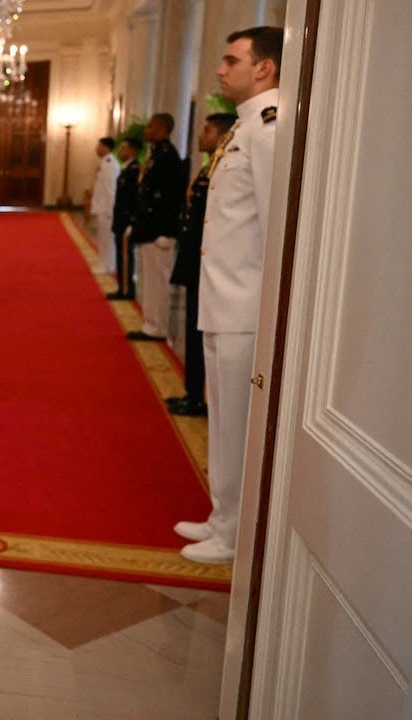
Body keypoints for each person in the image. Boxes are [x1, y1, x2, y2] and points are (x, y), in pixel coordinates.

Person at [175, 26, 282, 565]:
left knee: (238, 424)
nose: (221, 70)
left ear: (263, 67)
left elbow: (276, 227)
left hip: (245, 306)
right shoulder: (246, 128)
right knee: (222, 419)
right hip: (222, 299)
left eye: (231, 59)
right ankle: (222, 516)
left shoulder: (268, 128)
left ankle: (237, 531)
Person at [166, 112, 238, 417]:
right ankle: (193, 392)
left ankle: (199, 396)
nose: (200, 135)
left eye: (207, 130)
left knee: (202, 333)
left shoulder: (221, 169)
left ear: (221, 135)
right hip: (197, 263)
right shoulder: (210, 168)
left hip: (207, 265)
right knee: (195, 332)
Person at [127, 113, 187, 342]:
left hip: (158, 231)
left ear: (162, 130)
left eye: (151, 126)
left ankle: (158, 327)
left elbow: (171, 199)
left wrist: (165, 231)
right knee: (149, 281)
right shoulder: (156, 154)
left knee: (158, 283)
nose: (146, 130)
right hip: (148, 228)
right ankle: (150, 324)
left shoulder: (168, 157)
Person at [107, 137, 142, 300]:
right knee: (121, 256)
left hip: (126, 221)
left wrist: (131, 222)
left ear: (133, 151)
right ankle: (122, 287)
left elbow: (134, 199)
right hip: (121, 220)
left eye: (124, 148)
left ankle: (126, 290)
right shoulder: (126, 169)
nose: (121, 151)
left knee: (126, 257)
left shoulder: (134, 170)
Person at [90, 137, 121, 274]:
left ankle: (106, 265)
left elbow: (111, 188)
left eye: (99, 146)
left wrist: (110, 210)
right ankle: (105, 264)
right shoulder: (105, 162)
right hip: (102, 207)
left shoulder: (109, 163)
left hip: (106, 209)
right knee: (103, 239)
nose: (97, 149)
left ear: (106, 148)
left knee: (107, 240)